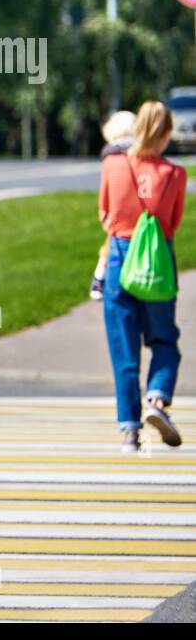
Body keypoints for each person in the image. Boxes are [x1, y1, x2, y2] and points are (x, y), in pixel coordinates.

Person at [99, 100, 185, 453]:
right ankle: (157, 401)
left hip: (120, 259)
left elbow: (104, 213)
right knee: (164, 341)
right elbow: (173, 224)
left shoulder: (114, 165)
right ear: (166, 135)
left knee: (125, 350)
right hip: (157, 263)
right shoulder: (176, 174)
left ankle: (129, 433)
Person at [90, 109, 136, 301]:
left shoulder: (109, 160)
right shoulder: (140, 155)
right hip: (140, 219)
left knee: (109, 248)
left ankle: (99, 279)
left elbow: (105, 199)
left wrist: (105, 218)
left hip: (117, 223)